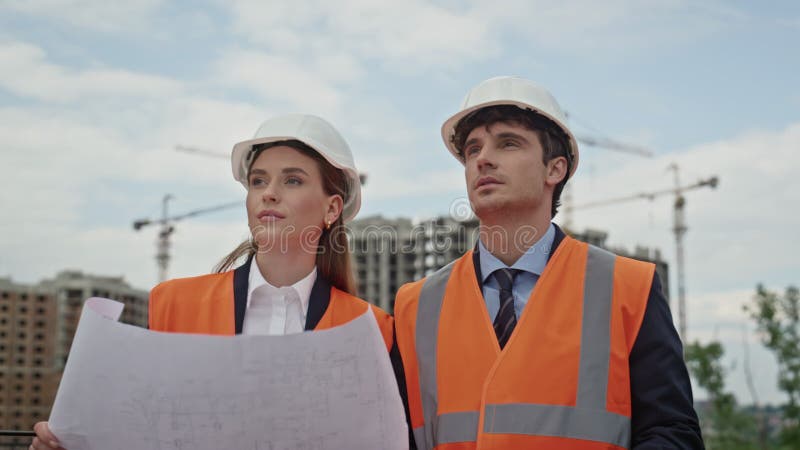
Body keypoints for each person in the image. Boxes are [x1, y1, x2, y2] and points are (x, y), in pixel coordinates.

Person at [31, 114, 397, 450]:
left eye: (292, 180)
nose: (269, 192)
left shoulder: (373, 329)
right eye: (258, 181)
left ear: (332, 209)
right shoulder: (174, 304)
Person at [393, 77, 704, 449]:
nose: (482, 159)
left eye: (507, 143)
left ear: (554, 170)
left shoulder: (629, 288)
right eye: (472, 149)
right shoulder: (416, 306)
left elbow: (673, 433)